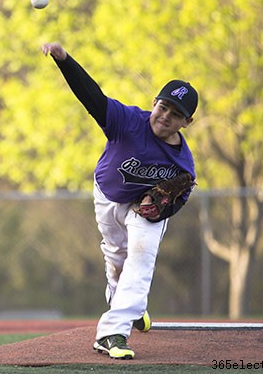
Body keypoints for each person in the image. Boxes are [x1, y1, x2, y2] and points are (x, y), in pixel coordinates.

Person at [41, 42, 198, 359]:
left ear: (186, 123)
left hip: (144, 210)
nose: (165, 116)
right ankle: (127, 303)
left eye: (176, 114)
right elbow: (92, 97)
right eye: (163, 107)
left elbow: (181, 194)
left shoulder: (183, 163)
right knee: (116, 262)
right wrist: (65, 60)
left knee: (141, 257)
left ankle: (112, 332)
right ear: (153, 103)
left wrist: (161, 209)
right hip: (108, 198)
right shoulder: (127, 121)